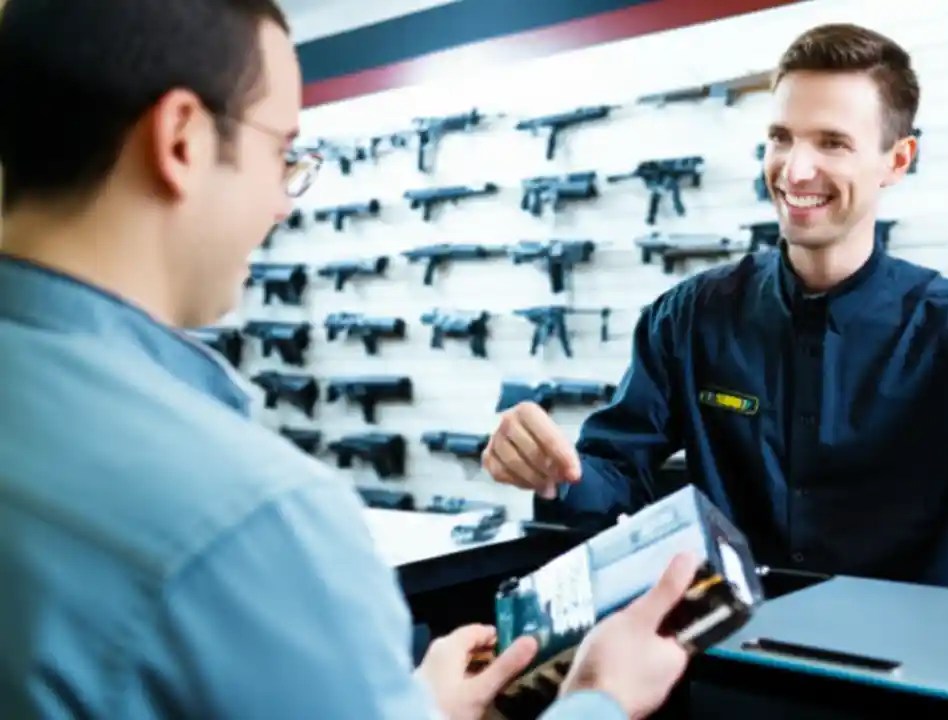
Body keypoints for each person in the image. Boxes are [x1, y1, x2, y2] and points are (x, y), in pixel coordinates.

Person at [0, 1, 694, 718]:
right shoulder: (256, 517)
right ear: (182, 140)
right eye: (283, 154)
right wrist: (597, 701)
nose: (281, 202)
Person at [483, 23, 948, 686]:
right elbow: (611, 472)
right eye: (781, 138)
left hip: (899, 681)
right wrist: (554, 469)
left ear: (897, 160)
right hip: (718, 664)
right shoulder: (688, 318)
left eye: (831, 143)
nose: (795, 170)